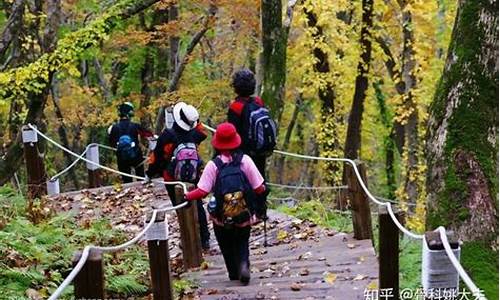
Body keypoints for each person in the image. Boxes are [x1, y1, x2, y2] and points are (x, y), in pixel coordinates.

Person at [183, 122, 268, 285]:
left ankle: (233, 273)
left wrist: (187, 196)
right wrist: (263, 195)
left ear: (218, 143)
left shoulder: (213, 165)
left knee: (226, 245)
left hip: (222, 218)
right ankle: (244, 264)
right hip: (244, 214)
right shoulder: (245, 161)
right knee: (242, 241)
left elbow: (202, 191)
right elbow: (259, 188)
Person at [146, 102, 210, 249]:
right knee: (198, 206)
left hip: (172, 178)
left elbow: (157, 158)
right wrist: (196, 120)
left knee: (180, 207)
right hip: (192, 176)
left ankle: (188, 240)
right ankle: (204, 239)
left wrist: (149, 174)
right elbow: (203, 133)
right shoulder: (194, 134)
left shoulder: (167, 135)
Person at [227, 68, 276, 220]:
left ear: (236, 86)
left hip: (244, 150)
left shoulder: (235, 107)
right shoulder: (258, 102)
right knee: (260, 177)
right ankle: (262, 211)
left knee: (245, 180)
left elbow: (232, 131)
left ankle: (249, 212)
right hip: (260, 148)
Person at [108, 102, 153, 183]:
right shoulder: (135, 126)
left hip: (121, 157)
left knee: (127, 180)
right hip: (136, 156)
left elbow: (111, 143)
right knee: (141, 178)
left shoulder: (114, 128)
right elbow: (148, 134)